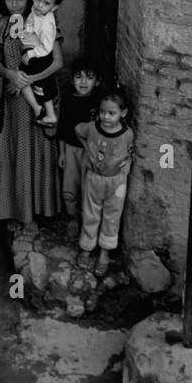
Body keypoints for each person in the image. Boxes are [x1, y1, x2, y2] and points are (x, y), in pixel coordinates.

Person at [0, 0, 62, 224]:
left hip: (40, 94)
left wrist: (27, 79)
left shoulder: (43, 23)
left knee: (41, 145)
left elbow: (57, 61)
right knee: (18, 147)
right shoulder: (1, 27)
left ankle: (43, 208)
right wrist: (10, 75)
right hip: (14, 99)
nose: (15, 4)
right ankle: (19, 209)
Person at [75, 85, 134, 277]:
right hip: (94, 179)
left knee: (112, 216)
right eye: (102, 112)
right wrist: (87, 150)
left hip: (117, 183)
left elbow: (131, 152)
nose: (106, 117)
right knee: (90, 213)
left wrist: (129, 163)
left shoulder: (127, 134)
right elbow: (78, 130)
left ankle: (105, 252)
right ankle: (87, 246)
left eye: (112, 113)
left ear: (123, 113)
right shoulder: (92, 128)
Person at [16, 0, 66, 128]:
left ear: (54, 7)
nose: (39, 5)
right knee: (44, 89)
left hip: (40, 57)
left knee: (23, 80)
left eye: (46, 3)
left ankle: (40, 111)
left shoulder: (47, 26)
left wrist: (29, 54)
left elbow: (46, 49)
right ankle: (48, 114)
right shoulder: (37, 10)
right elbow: (31, 21)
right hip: (36, 53)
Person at [56, 58, 101, 222]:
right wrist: (61, 153)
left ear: (97, 81)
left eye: (89, 78)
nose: (83, 82)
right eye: (78, 77)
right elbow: (61, 128)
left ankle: (86, 218)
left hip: (90, 152)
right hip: (70, 150)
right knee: (70, 186)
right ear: (72, 79)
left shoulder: (98, 104)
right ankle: (72, 216)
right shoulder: (68, 100)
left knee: (88, 186)